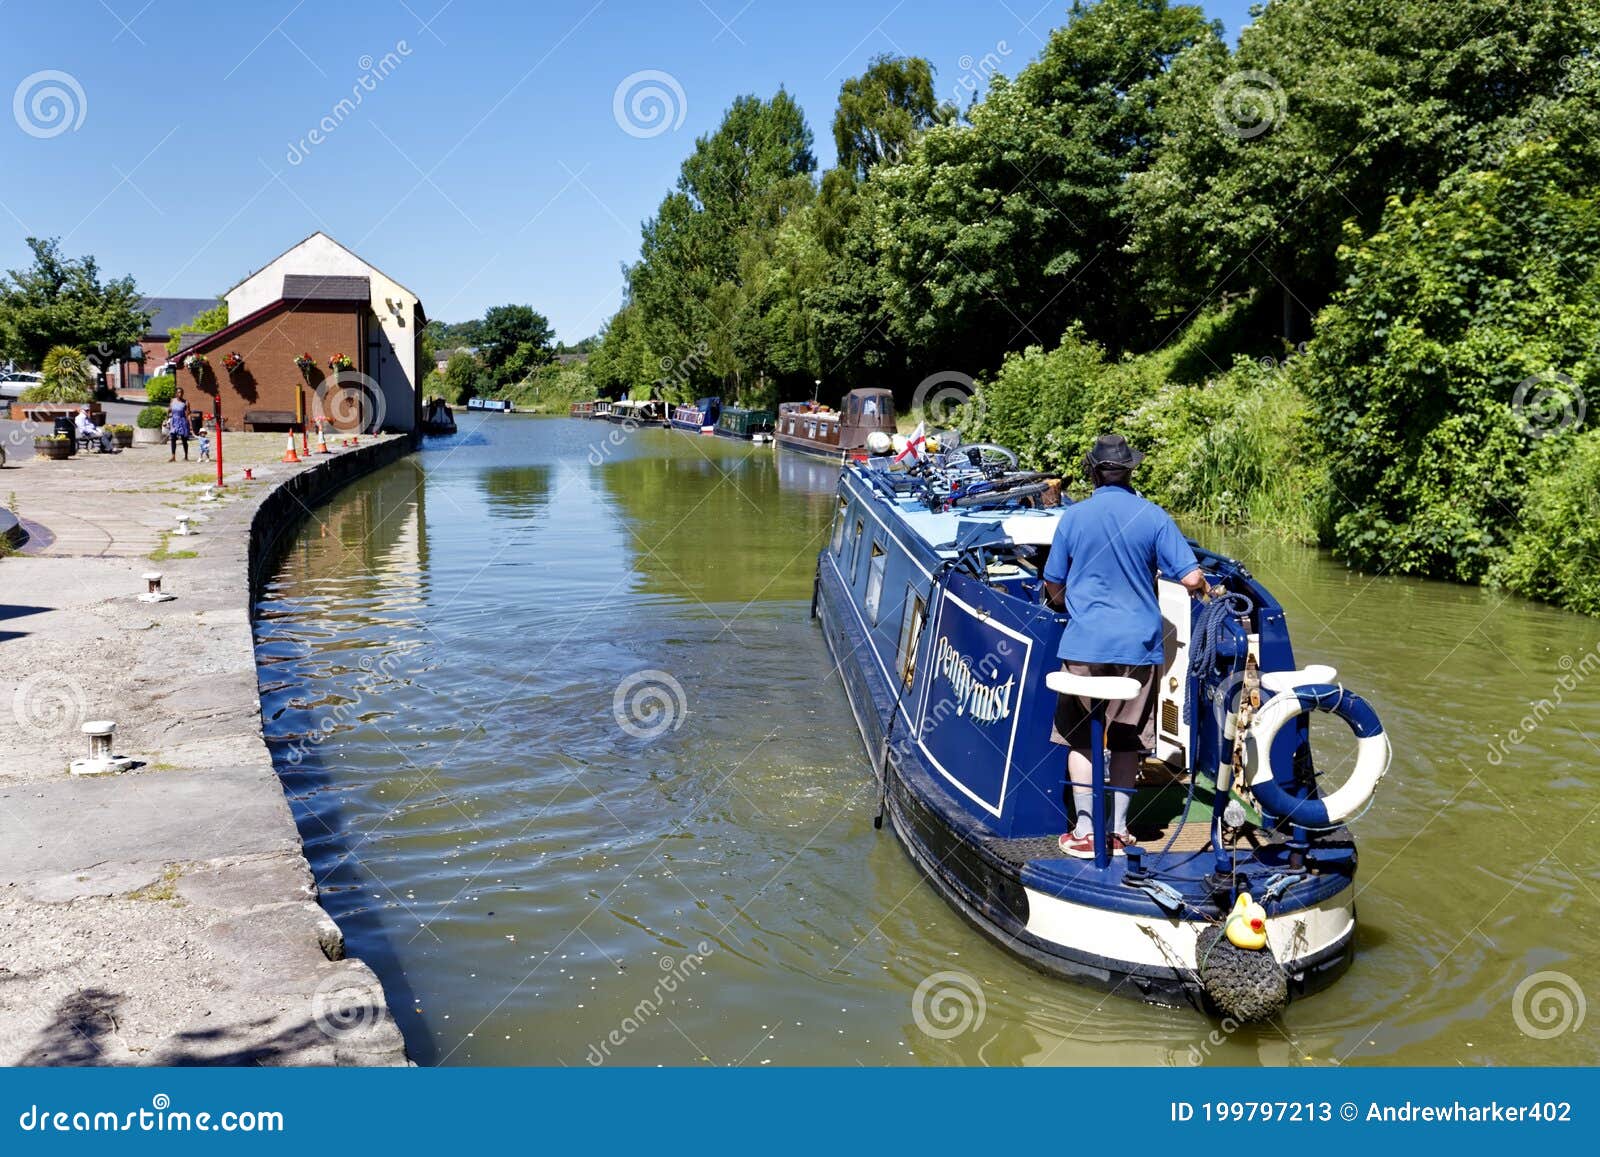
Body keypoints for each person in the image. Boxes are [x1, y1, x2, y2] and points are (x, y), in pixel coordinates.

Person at [1041, 434, 1210, 859]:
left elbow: (1053, 582)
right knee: (1126, 741)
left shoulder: (1073, 518)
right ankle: (1118, 831)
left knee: (1081, 740)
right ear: (1130, 471)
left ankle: (1083, 829)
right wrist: (1210, 588)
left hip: (1085, 644)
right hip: (1138, 646)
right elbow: (1190, 579)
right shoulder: (1152, 517)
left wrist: (1068, 602)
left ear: (1093, 472)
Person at [169, 387, 191, 462]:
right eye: (178, 392)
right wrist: (166, 420)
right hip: (174, 421)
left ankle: (186, 456)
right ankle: (173, 456)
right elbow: (169, 410)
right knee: (173, 438)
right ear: (176, 393)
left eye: (181, 392)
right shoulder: (172, 401)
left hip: (182, 421)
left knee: (184, 439)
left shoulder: (186, 402)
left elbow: (188, 414)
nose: (180, 394)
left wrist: (189, 425)